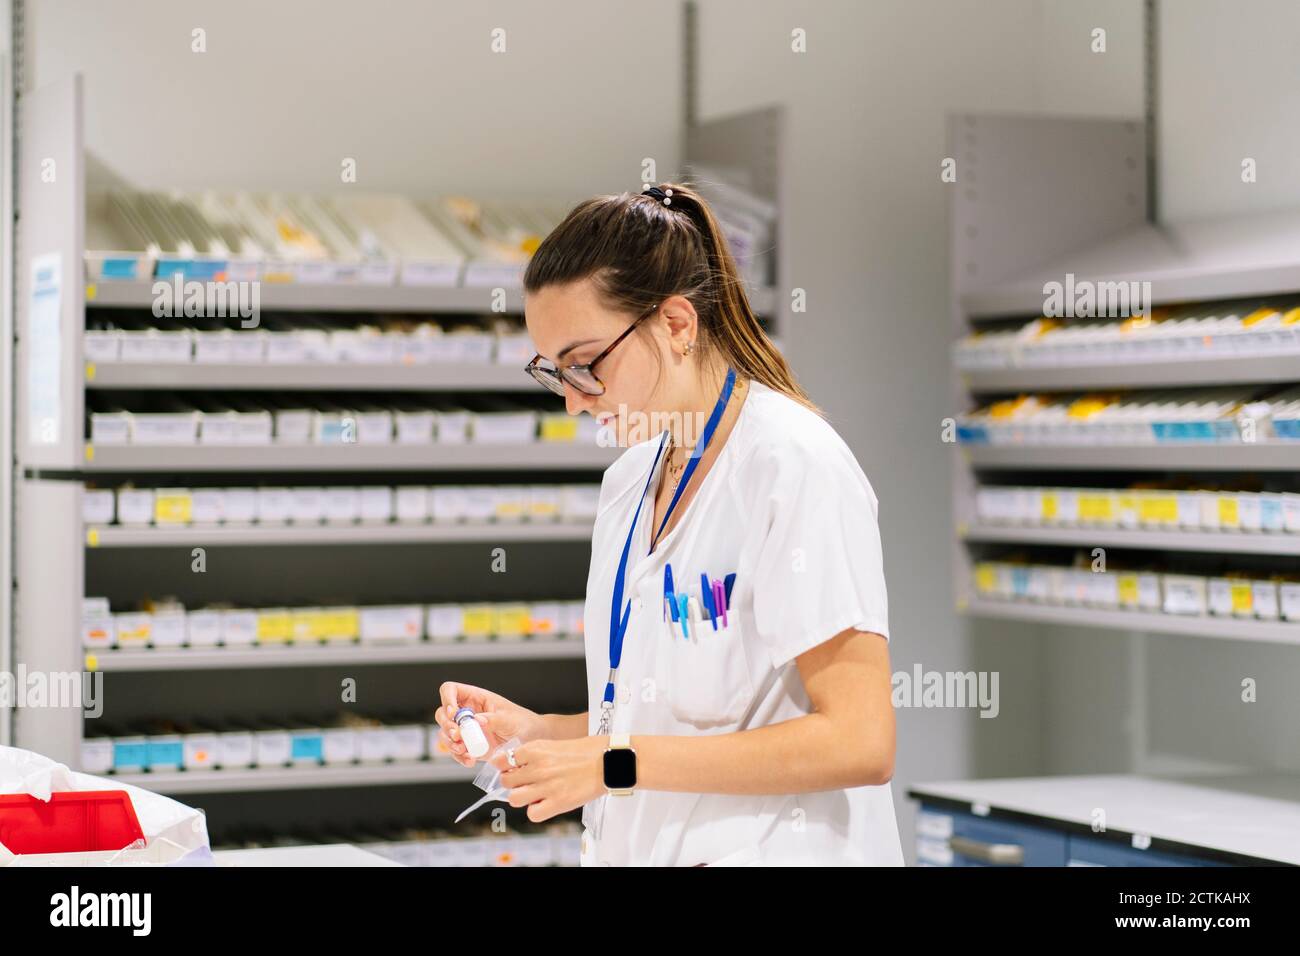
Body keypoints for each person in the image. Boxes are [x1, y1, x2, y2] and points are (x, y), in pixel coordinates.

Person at [435, 182, 902, 866]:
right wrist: (543, 735)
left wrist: (614, 763)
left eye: (587, 365)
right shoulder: (630, 481)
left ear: (678, 325)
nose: (572, 402)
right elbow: (648, 725)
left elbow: (860, 741)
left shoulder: (793, 467)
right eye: (554, 372)